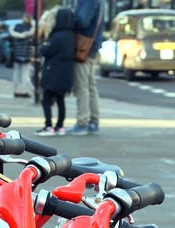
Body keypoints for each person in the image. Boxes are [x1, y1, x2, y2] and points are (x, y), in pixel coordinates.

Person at [66, 0, 104, 135]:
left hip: (83, 47)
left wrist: (69, 15)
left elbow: (82, 21)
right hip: (92, 47)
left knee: (82, 86)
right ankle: (94, 121)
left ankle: (82, 122)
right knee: (90, 86)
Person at [36, 7, 74, 136]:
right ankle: (60, 126)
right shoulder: (71, 36)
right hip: (66, 74)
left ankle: (48, 126)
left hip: (53, 73)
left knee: (46, 100)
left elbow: (46, 51)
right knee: (60, 101)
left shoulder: (56, 37)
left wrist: (42, 46)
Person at [8, 13, 34, 99]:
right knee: (25, 73)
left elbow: (11, 40)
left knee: (16, 73)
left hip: (16, 54)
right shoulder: (30, 29)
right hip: (26, 54)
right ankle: (24, 91)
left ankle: (16, 90)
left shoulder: (16, 27)